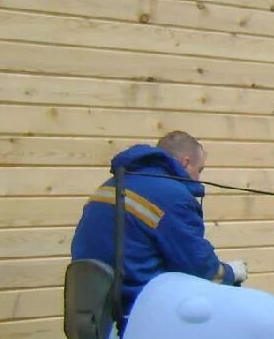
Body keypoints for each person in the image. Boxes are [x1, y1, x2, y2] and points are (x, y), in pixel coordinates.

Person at [71, 131, 247, 312]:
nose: (198, 179)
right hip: (138, 309)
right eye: (199, 170)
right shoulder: (173, 197)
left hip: (94, 309)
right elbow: (199, 268)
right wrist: (231, 273)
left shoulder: (111, 184)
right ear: (185, 163)